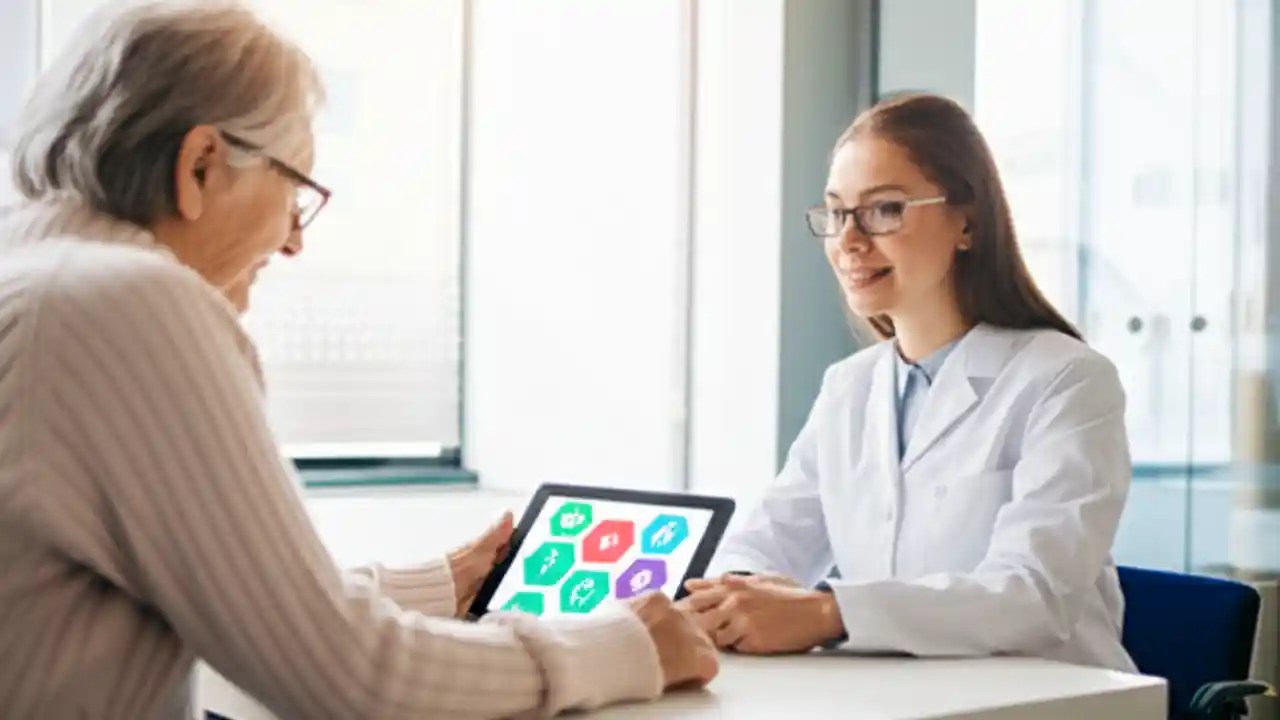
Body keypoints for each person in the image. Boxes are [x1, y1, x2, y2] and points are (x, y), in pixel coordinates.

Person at [0, 2, 716, 717]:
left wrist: (435, 584)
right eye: (295, 192)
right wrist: (627, 646)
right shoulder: (126, 307)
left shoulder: (35, 279)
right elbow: (352, 679)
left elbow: (225, 604)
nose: (293, 243)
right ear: (201, 165)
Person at [680, 93, 1136, 673]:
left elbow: (1032, 595)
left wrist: (826, 613)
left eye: (884, 209)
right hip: (903, 693)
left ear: (966, 221)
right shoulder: (850, 386)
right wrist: (736, 595)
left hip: (1052, 698)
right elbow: (771, 540)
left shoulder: (1066, 380)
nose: (848, 240)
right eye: (836, 212)